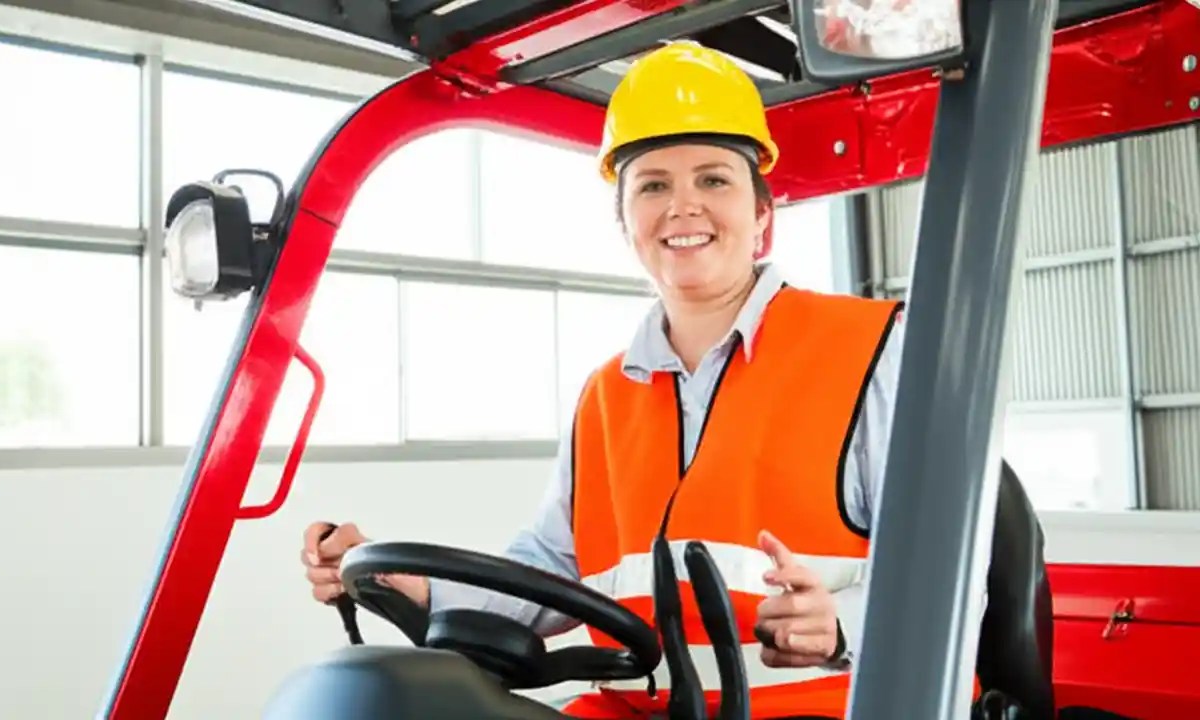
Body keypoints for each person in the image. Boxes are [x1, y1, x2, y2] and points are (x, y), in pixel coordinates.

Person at [302, 41, 915, 719]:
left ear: (763, 218)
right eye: (653, 185)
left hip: (837, 706)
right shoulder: (606, 397)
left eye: (714, 180)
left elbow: (952, 569)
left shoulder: (872, 349)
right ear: (625, 224)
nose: (683, 207)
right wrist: (409, 585)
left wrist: (843, 624)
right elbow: (547, 573)